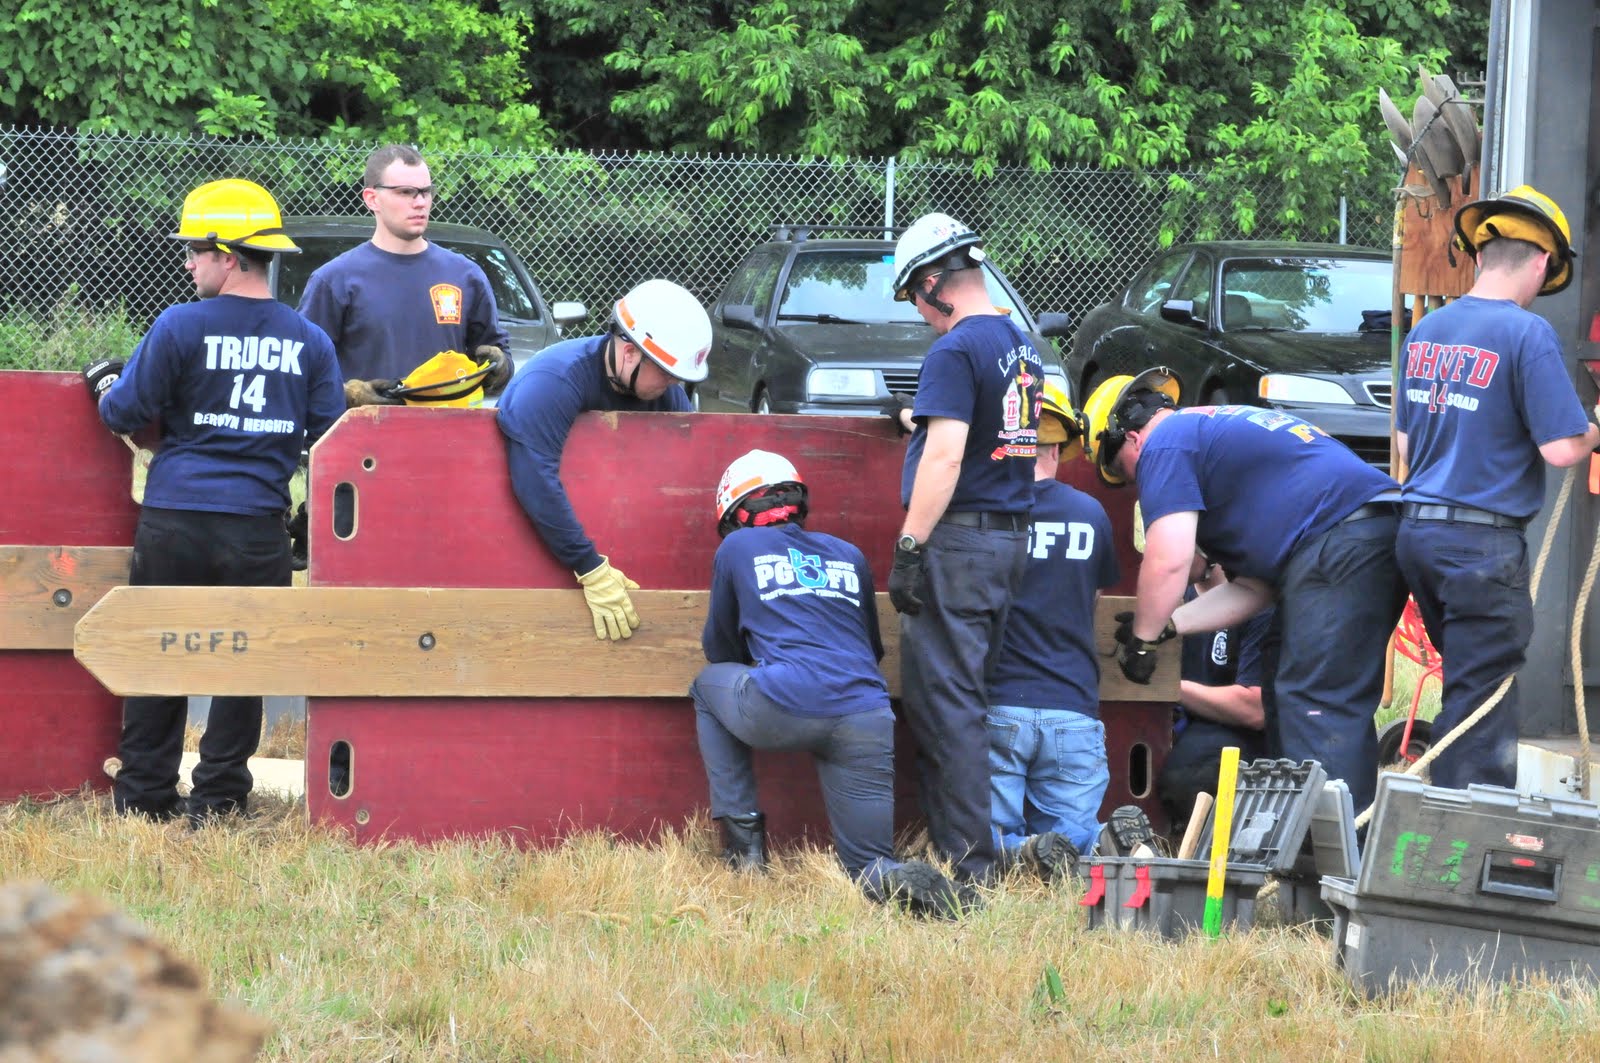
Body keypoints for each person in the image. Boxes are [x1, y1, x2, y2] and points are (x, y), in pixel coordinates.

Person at [81, 179, 344, 827]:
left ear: (229, 255)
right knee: (241, 659)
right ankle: (220, 796)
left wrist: (105, 381)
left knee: (157, 652)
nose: (188, 262)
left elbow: (124, 409)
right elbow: (333, 437)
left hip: (175, 520)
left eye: (196, 250)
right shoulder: (308, 341)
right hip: (257, 527)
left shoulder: (178, 325)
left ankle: (144, 793)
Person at [1084, 367, 1406, 816]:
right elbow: (1253, 590)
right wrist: (1170, 628)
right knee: (1285, 690)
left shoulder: (1167, 441)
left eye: (1127, 474)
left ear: (1129, 438)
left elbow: (1170, 557)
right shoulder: (1212, 434)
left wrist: (1141, 635)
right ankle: (1306, 836)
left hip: (1342, 543)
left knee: (1317, 703)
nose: (1142, 487)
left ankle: (1337, 859)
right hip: (1359, 538)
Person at [691, 450, 961, 915]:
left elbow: (721, 650)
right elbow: (870, 649)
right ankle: (913, 884)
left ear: (736, 512)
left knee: (705, 686)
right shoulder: (849, 554)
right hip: (866, 713)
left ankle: (745, 854)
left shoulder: (735, 549)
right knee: (867, 865)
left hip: (781, 703)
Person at [1394, 185, 1600, 790]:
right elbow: (1562, 448)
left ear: (1481, 256)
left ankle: (1441, 806)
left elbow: (1405, 451)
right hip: (1479, 548)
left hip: (1419, 538)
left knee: (1467, 680)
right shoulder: (1525, 334)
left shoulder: (1425, 332)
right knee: (1483, 700)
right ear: (1541, 264)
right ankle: (1458, 839)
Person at [886, 212, 1043, 887]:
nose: (920, 316)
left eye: (914, 302)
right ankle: (975, 849)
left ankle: (969, 867)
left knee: (944, 703)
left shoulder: (953, 350)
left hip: (960, 543)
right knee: (967, 697)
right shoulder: (1019, 342)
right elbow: (978, 432)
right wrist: (918, 420)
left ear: (932, 284)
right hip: (1007, 539)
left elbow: (947, 457)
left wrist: (910, 545)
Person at [496, 278, 710, 641]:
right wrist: (589, 568)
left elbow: (687, 476)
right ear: (630, 352)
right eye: (668, 374)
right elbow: (534, 477)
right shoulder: (552, 382)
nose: (673, 385)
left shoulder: (661, 392)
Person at [985, 382, 1119, 878]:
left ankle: (1023, 851)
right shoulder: (1091, 513)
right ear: (1060, 449)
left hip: (1000, 702)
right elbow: (1092, 600)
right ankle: (1102, 843)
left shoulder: (988, 513)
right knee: (1073, 842)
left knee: (988, 838)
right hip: (1073, 708)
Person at [297, 143, 513, 406]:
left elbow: (497, 359)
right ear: (372, 198)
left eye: (425, 192)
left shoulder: (465, 275)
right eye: (406, 192)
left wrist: (500, 367)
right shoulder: (335, 280)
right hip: (366, 440)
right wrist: (348, 396)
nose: (420, 202)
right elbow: (301, 370)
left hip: (448, 437)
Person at [1156, 557, 1273, 830]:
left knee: (1189, 775)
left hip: (1241, 735)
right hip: (1183, 726)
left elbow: (1254, 709)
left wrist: (1167, 686)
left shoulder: (1259, 607)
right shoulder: (1171, 602)